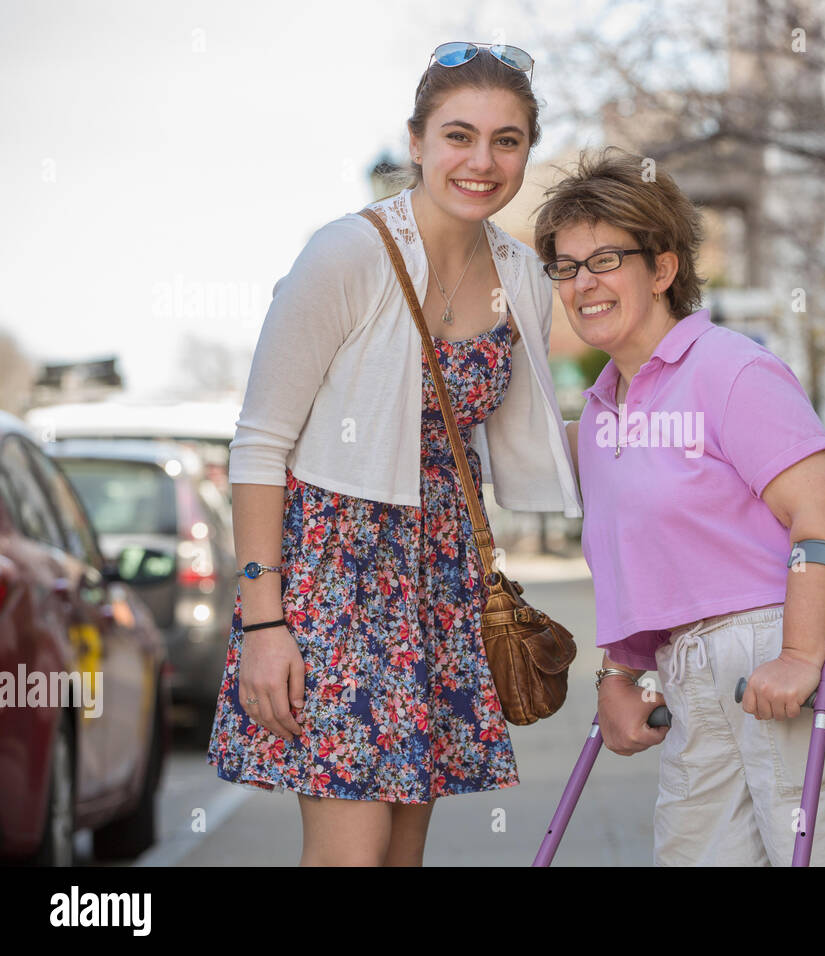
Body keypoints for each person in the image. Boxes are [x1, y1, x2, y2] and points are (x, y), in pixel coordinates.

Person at [207, 42, 581, 866]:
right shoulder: (347, 252)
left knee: (400, 853)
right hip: (333, 578)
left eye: (507, 140)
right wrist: (265, 621)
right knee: (352, 851)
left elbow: (535, 432)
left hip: (438, 579)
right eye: (459, 135)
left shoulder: (520, 274)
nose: (482, 161)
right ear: (416, 142)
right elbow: (261, 443)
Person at [534, 147, 825, 866]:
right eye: (566, 267)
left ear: (662, 269)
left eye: (605, 259)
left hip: (802, 639)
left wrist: (797, 654)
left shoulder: (730, 368)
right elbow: (648, 565)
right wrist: (620, 676)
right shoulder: (600, 416)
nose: (582, 283)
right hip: (693, 669)